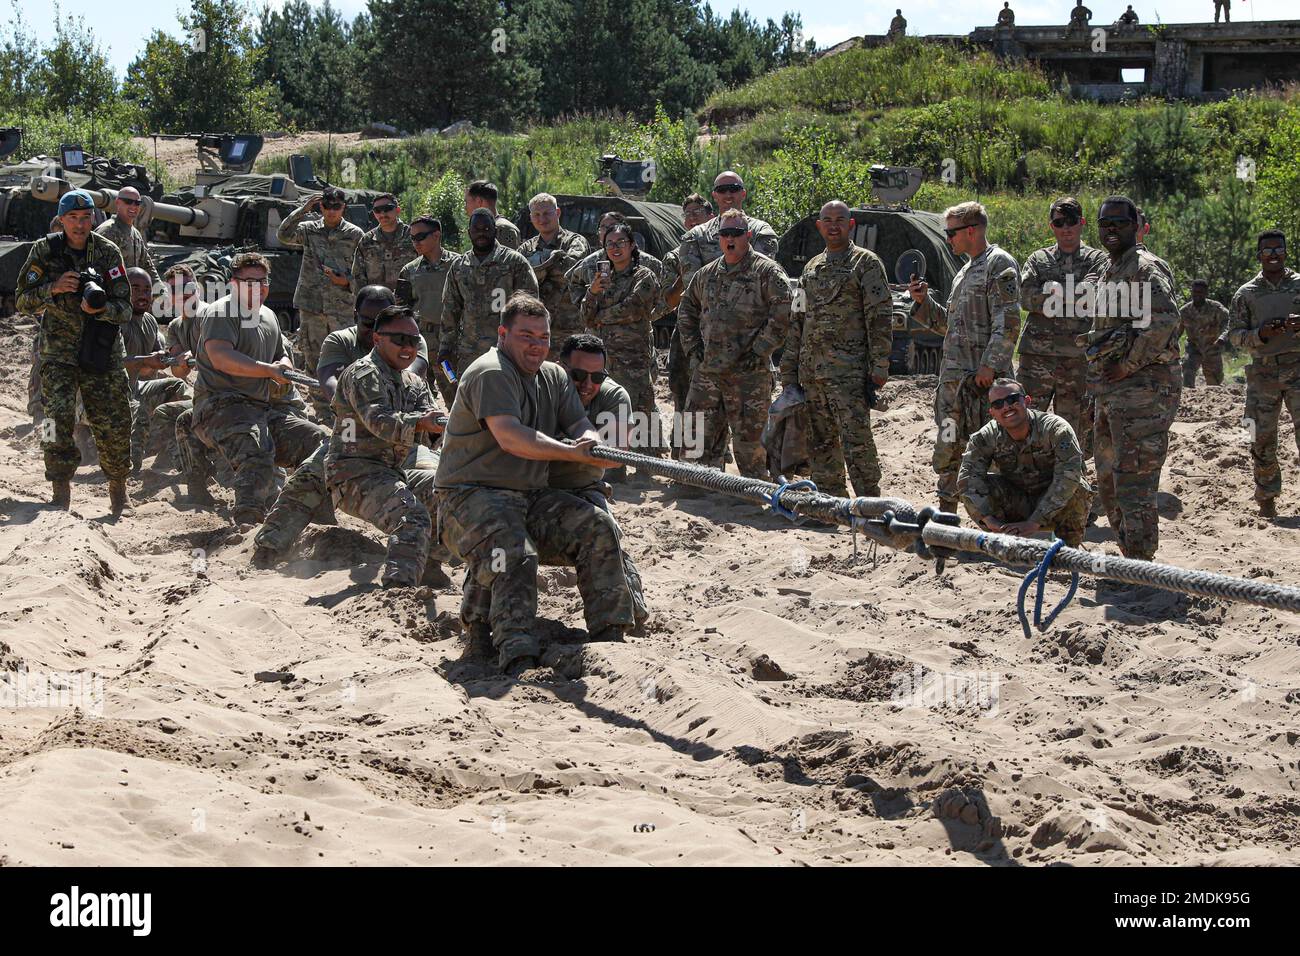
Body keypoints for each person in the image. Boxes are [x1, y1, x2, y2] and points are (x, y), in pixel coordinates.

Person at [434, 293, 634, 674]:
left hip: (527, 497)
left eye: (543, 337)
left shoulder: (555, 376)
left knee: (597, 525)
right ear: (503, 334)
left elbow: (579, 424)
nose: (536, 345)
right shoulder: (491, 371)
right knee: (511, 549)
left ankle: (610, 635)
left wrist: (593, 442)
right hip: (469, 496)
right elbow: (511, 436)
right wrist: (572, 453)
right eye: (526, 335)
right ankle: (515, 649)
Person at [254, 286, 434, 563]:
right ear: (356, 316)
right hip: (352, 433)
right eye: (367, 322)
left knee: (439, 482)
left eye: (381, 320)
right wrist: (353, 398)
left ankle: (430, 560)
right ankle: (270, 548)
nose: (373, 327)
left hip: (402, 437)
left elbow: (411, 374)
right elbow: (329, 378)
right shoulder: (340, 340)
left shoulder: (409, 340)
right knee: (310, 476)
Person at [18, 187, 135, 511]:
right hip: (58, 353)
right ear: (61, 220)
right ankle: (59, 488)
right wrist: (52, 288)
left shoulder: (108, 252)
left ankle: (117, 486)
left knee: (114, 423)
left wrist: (101, 309)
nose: (80, 225)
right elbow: (22, 300)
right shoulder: (44, 251)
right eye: (73, 218)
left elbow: (126, 307)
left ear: (94, 219)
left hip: (101, 350)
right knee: (55, 421)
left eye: (86, 218)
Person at [191, 252, 328, 525]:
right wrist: (268, 370)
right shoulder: (221, 312)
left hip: (264, 407)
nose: (258, 287)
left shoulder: (268, 315)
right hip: (221, 406)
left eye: (263, 281)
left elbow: (282, 354)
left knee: (320, 442)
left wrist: (283, 366)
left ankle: (313, 516)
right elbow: (220, 357)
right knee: (257, 451)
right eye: (249, 281)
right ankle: (247, 522)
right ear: (234, 283)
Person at [1078, 195, 1181, 559]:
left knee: (1134, 481)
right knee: (1108, 478)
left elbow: (1165, 322)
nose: (1111, 230)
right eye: (1105, 223)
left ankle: (1141, 563)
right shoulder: (1112, 268)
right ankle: (1130, 556)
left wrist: (1127, 365)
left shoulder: (1144, 267)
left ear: (1136, 227)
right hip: (1112, 392)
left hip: (1144, 391)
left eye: (1120, 223)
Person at [908, 200, 1021, 511]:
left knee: (998, 452)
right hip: (955, 388)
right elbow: (952, 327)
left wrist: (990, 365)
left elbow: (1008, 321)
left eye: (951, 233)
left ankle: (1007, 523)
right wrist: (924, 303)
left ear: (970, 230)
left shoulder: (999, 264)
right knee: (950, 449)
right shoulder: (964, 272)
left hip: (984, 385)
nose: (948, 239)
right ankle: (947, 518)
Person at [324, 305, 448, 588]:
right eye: (400, 340)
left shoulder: (414, 382)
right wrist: (421, 423)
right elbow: (378, 421)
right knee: (411, 514)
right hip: (354, 475)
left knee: (448, 495)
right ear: (378, 339)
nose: (408, 348)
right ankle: (398, 589)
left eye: (414, 341)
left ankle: (428, 563)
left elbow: (432, 428)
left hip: (394, 473)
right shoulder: (363, 374)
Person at [779, 200, 892, 498]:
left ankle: (869, 502)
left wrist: (880, 366)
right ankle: (830, 502)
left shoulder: (865, 263)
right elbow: (798, 319)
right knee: (820, 441)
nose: (833, 225)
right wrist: (789, 370)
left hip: (849, 373)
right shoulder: (811, 267)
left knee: (856, 440)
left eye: (840, 219)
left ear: (850, 225)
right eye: (827, 220)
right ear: (818, 226)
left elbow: (879, 317)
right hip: (812, 373)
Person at [677, 208, 793, 478]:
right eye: (724, 233)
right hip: (707, 373)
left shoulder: (767, 272)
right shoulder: (706, 275)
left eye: (736, 233)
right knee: (694, 439)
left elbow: (784, 314)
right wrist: (694, 352)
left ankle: (753, 494)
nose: (730, 239)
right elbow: (686, 311)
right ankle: (698, 489)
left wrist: (760, 350)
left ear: (748, 236)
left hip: (748, 376)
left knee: (750, 444)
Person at [551, 333, 649, 627]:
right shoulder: (542, 386)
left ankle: (627, 615)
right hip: (531, 482)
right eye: (578, 374)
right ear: (562, 368)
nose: (588, 384)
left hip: (583, 485)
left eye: (598, 376)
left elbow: (617, 454)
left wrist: (567, 452)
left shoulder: (613, 395)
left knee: (607, 534)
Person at [1016, 197, 1108, 448]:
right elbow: (1025, 297)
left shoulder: (1097, 260)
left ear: (1082, 223)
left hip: (1077, 360)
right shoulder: (1038, 259)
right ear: (1051, 226)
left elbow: (1093, 296)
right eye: (1059, 222)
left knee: (1074, 428)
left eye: (1072, 221)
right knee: (1026, 421)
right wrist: (1073, 295)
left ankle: (1070, 480)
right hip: (1037, 358)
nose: (1066, 228)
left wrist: (1053, 292)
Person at [958, 379, 1092, 547]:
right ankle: (1005, 540)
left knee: (1078, 487)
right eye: (998, 404)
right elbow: (968, 479)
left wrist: (1035, 522)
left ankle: (1067, 547)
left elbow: (1069, 476)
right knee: (980, 486)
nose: (1006, 407)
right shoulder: (985, 437)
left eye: (1013, 399)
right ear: (992, 412)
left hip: (1053, 504)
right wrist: (990, 520)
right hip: (1017, 501)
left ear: (1027, 401)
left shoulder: (1055, 429)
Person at [1224, 230, 1300, 518]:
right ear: (1258, 255)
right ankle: (1267, 498)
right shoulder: (1246, 294)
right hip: (1263, 375)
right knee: (1260, 438)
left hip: (1298, 368)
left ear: (1285, 252)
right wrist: (1261, 334)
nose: (1272, 255)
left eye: (1277, 249)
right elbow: (1234, 336)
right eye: (1267, 250)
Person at [438, 208, 538, 395]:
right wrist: (445, 347)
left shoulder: (514, 262)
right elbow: (450, 310)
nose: (481, 233)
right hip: (469, 353)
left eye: (486, 228)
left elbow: (531, 309)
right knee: (471, 405)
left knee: (506, 403)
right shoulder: (459, 266)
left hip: (506, 352)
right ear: (469, 233)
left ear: (495, 230)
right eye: (476, 229)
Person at [576, 222, 661, 441]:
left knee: (640, 416)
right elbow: (585, 317)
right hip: (605, 363)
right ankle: (615, 469)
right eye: (610, 243)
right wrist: (593, 292)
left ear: (632, 245)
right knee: (609, 416)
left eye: (621, 242)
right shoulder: (602, 279)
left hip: (632, 361)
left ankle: (645, 470)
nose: (615, 248)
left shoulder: (644, 276)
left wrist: (599, 317)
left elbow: (632, 309)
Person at [276, 186, 363, 375]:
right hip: (312, 306)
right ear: (321, 207)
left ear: (343, 208)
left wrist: (347, 282)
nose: (332, 211)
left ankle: (343, 401)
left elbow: (364, 271)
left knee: (346, 359)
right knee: (313, 360)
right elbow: (283, 235)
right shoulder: (308, 230)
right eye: (327, 206)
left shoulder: (355, 234)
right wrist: (303, 209)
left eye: (336, 206)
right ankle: (319, 404)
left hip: (341, 308)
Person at [121, 267, 192, 473]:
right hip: (106, 392)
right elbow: (108, 363)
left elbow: (156, 357)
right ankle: (131, 468)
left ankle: (170, 450)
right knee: (139, 410)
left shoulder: (150, 321)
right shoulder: (113, 320)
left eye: (146, 290)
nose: (142, 295)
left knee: (178, 387)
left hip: (135, 387)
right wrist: (147, 361)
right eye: (135, 289)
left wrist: (172, 359)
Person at [396, 215, 460, 405]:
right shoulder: (409, 270)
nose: (416, 242)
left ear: (437, 235)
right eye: (413, 238)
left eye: (421, 236)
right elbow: (402, 309)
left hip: (447, 345)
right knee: (415, 395)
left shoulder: (458, 265)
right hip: (420, 344)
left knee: (453, 390)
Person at [519, 193, 589, 361]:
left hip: (569, 329)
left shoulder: (575, 241)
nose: (542, 219)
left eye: (547, 213)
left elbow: (570, 269)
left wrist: (536, 266)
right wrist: (553, 259)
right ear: (531, 218)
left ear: (557, 213)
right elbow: (520, 278)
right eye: (537, 215)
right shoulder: (526, 248)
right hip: (537, 331)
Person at [663, 195, 715, 425]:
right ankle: (681, 447)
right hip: (686, 333)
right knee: (682, 393)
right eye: (688, 214)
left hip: (718, 333)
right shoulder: (675, 256)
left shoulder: (727, 251)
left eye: (698, 212)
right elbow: (668, 301)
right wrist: (686, 279)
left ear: (711, 217)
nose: (692, 218)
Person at [350, 193, 415, 292]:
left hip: (408, 303)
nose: (382, 214)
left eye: (387, 208)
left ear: (397, 210)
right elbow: (358, 276)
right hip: (377, 302)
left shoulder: (413, 236)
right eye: (377, 210)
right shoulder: (367, 241)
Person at [94, 186, 159, 283]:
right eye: (128, 202)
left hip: (131, 293)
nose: (133, 206)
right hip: (113, 292)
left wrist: (160, 290)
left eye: (137, 203)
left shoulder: (136, 233)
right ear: (117, 202)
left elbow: (147, 265)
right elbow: (96, 269)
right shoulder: (107, 231)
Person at [1179, 279, 1229, 387]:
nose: (1197, 295)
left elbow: (1228, 323)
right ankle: (1188, 398)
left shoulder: (1216, 308)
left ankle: (1214, 401)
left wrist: (1222, 338)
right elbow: (1176, 332)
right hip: (1194, 348)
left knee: (1214, 383)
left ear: (1206, 293)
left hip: (1212, 347)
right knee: (1187, 369)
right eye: (1195, 292)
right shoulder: (1184, 311)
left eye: (1200, 292)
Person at [464, 180, 520, 250]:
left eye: (466, 202)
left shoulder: (503, 229)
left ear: (479, 202)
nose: (465, 207)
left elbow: (508, 259)